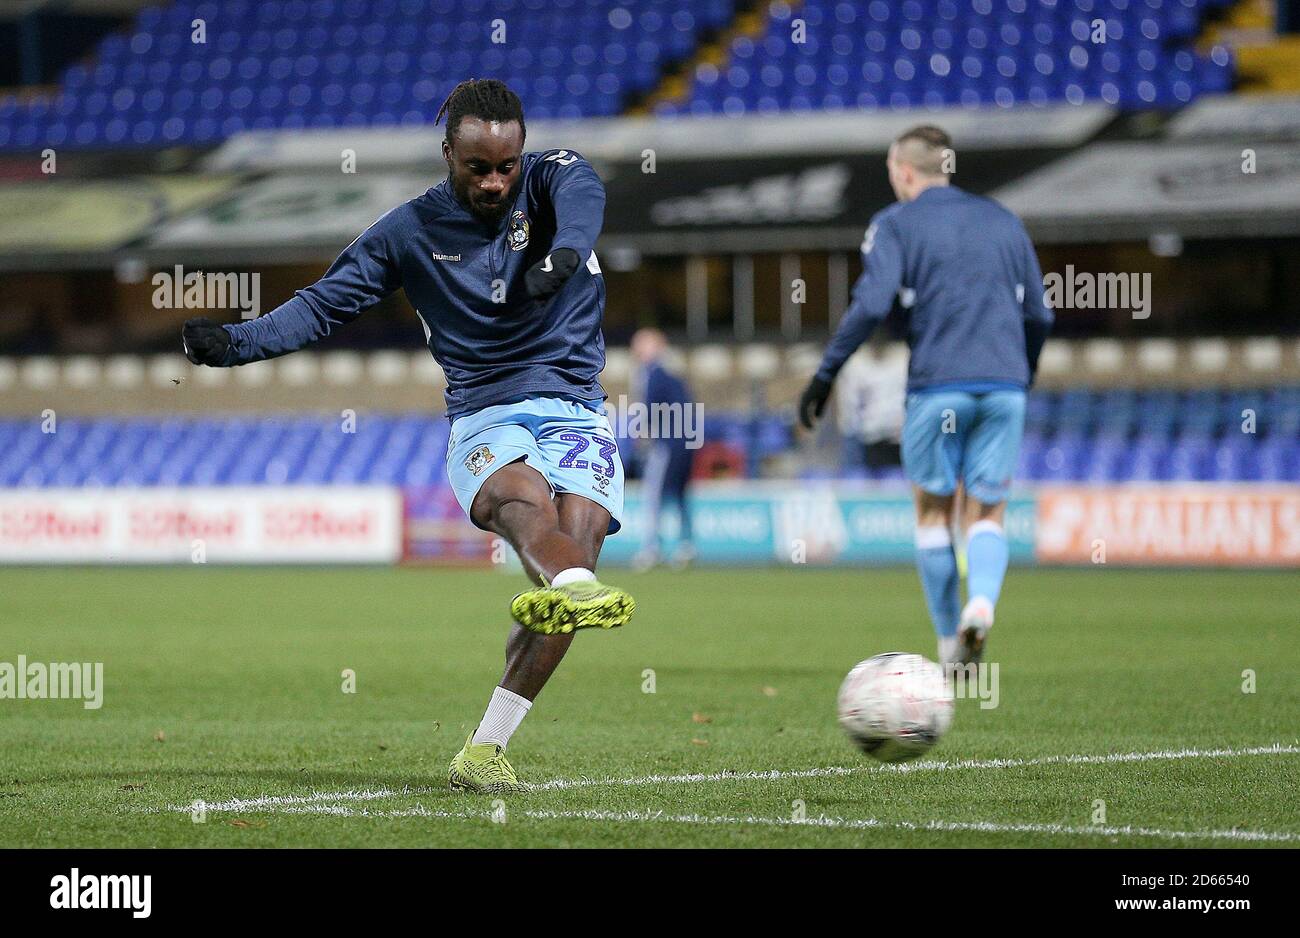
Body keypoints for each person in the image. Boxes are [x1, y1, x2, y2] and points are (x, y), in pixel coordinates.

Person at [181, 79, 635, 793]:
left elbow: (585, 202)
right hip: (487, 411)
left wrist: (561, 259)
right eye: (477, 167)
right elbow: (322, 306)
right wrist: (234, 344)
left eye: (506, 165)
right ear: (447, 152)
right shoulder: (407, 233)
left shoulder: (554, 179)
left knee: (562, 591)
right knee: (529, 515)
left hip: (577, 407)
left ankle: (483, 751)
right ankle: (574, 578)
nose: (495, 181)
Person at [798, 125, 1053, 670]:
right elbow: (1040, 312)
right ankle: (980, 604)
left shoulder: (895, 223)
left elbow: (869, 307)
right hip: (1004, 386)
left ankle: (947, 645)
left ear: (905, 172)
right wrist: (1021, 374)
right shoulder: (1004, 220)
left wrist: (825, 375)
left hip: (938, 386)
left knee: (933, 513)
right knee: (987, 510)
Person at [629, 328, 696, 570]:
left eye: (642, 345)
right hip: (685, 441)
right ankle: (686, 546)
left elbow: (648, 407)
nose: (637, 350)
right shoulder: (675, 372)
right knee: (679, 495)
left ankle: (651, 549)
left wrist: (641, 432)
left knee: (653, 494)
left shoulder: (654, 373)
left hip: (667, 442)